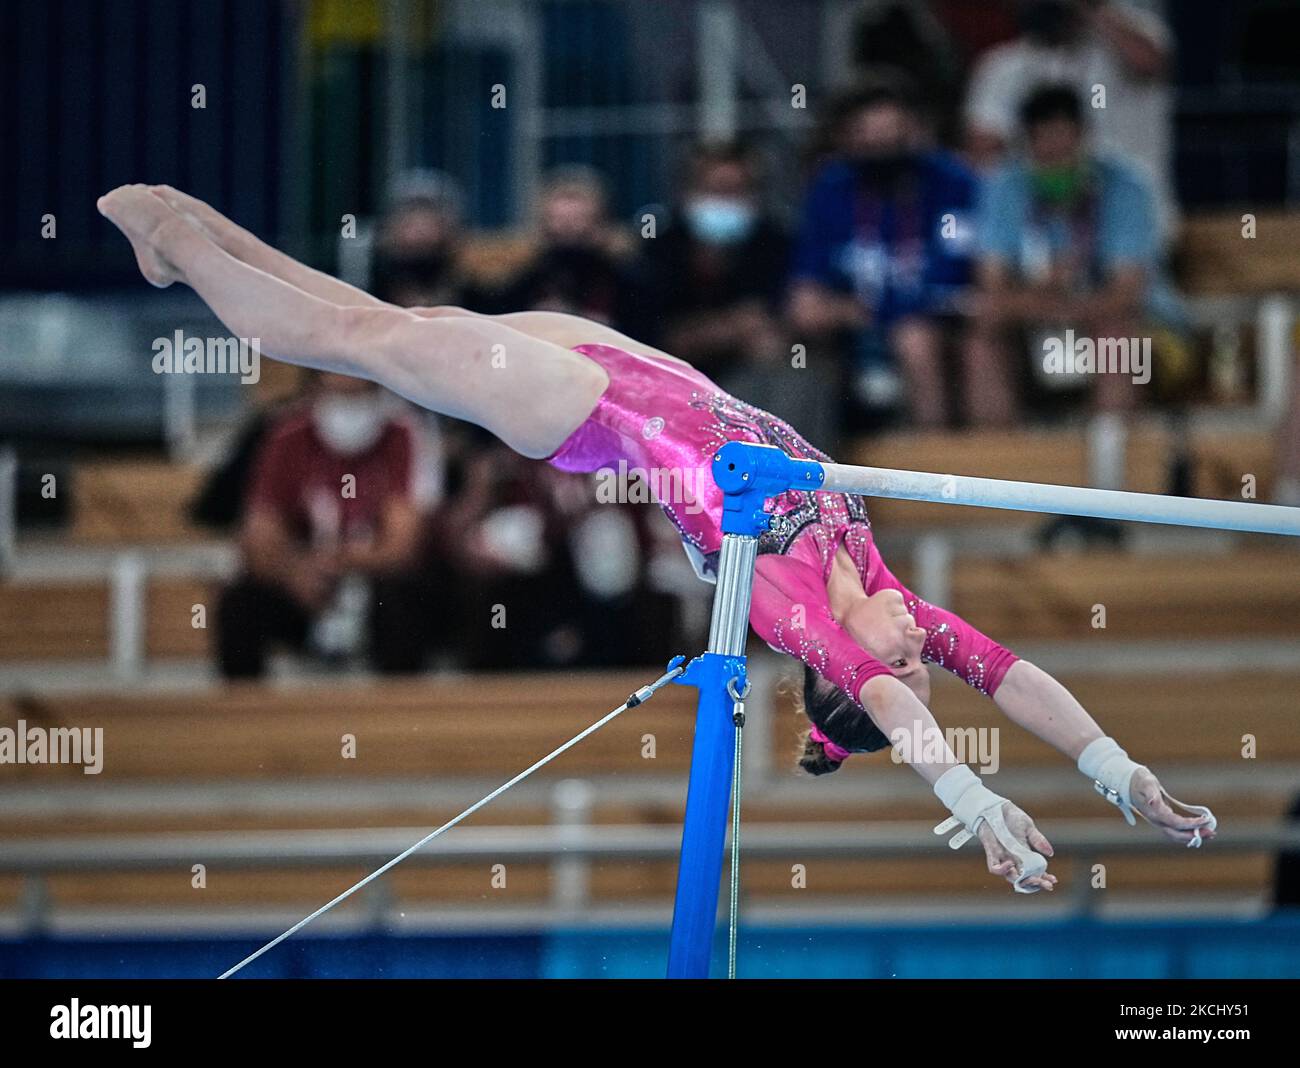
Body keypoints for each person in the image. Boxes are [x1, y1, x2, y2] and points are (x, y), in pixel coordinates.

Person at [98, 182, 1218, 895]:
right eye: (922, 656)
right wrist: (1122, 777)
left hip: (584, 407)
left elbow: (889, 703)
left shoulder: (789, 607)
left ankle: (173, 247)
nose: (922, 646)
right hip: (639, 366)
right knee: (399, 328)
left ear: (851, 670)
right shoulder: (883, 592)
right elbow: (1015, 680)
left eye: (906, 664)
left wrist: (973, 804)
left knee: (362, 341)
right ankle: (189, 221)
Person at [216, 370, 437, 678]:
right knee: (241, 601)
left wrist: (343, 561)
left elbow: (402, 545)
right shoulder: (287, 435)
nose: (347, 404)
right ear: (315, 383)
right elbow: (259, 534)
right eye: (338, 389)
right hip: (304, 577)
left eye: (356, 391)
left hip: (374, 582)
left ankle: (399, 714)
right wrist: (295, 571)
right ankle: (243, 714)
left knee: (403, 597)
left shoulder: (405, 434)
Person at [788, 79, 981, 429]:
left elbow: (955, 278)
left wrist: (877, 310)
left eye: (892, 134)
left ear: (914, 130)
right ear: (846, 138)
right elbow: (806, 293)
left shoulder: (951, 181)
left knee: (915, 339)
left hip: (938, 321)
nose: (882, 147)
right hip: (853, 329)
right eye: (869, 137)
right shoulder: (830, 187)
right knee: (795, 345)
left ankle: (936, 466)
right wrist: (829, 308)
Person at [971, 84, 1162, 425]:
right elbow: (993, 288)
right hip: (1035, 330)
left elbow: (1126, 295)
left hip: (1119, 329)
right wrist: (1044, 299)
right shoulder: (1004, 187)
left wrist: (1061, 305)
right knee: (983, 335)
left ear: (1085, 135)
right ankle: (996, 465)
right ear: (1026, 144)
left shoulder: (1127, 187)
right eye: (1042, 142)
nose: (1055, 152)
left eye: (1063, 140)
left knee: (1117, 338)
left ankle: (1110, 465)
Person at [963, 0, 1175, 239]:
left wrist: (1089, 7)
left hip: (1132, 224)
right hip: (1037, 235)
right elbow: (983, 155)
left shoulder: (1129, 39)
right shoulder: (1002, 66)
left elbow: (1149, 61)